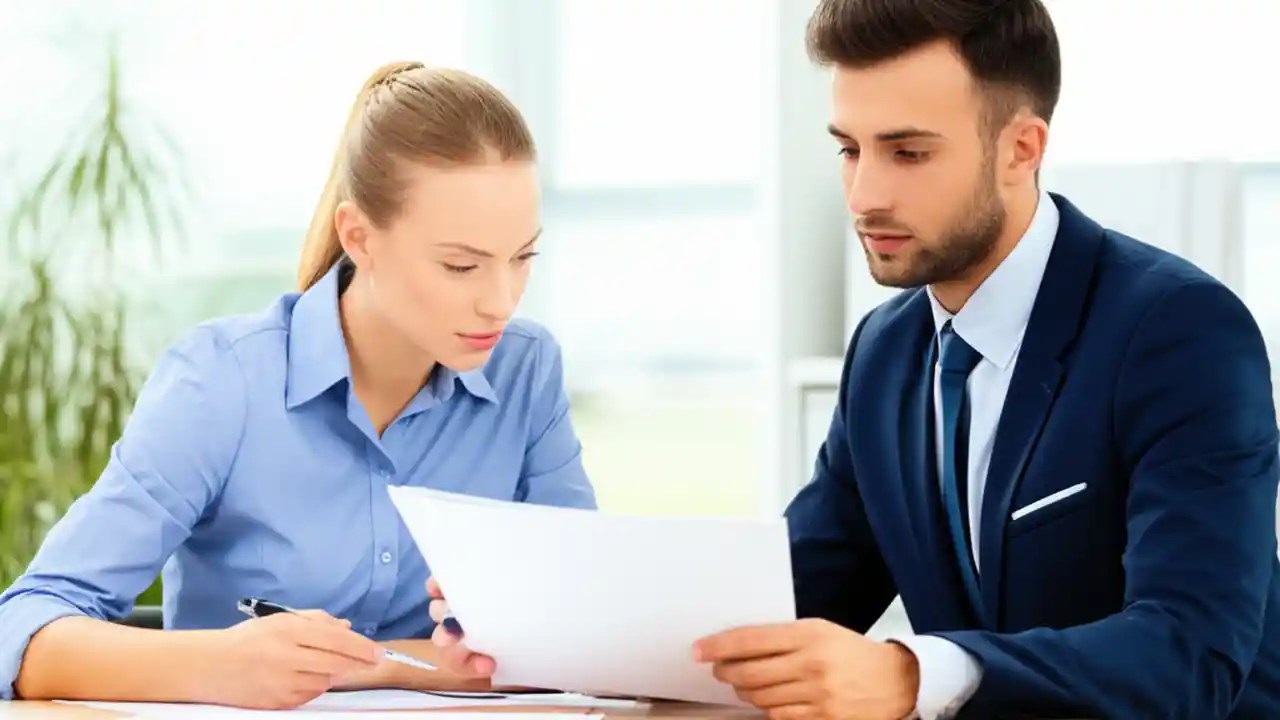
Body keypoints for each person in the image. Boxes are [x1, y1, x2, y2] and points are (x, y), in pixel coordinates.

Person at [688, 1, 1280, 718]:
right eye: (849, 150)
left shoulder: (1179, 331)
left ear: (1021, 149)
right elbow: (789, 597)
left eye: (908, 153)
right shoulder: (885, 351)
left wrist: (912, 677)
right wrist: (594, 649)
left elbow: (1189, 656)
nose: (865, 195)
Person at [0, 60, 595, 710]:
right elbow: (21, 627)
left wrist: (375, 666)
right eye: (461, 266)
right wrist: (217, 665)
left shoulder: (525, 372)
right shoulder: (224, 382)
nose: (501, 301)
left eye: (522, 257)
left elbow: (586, 625)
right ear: (359, 237)